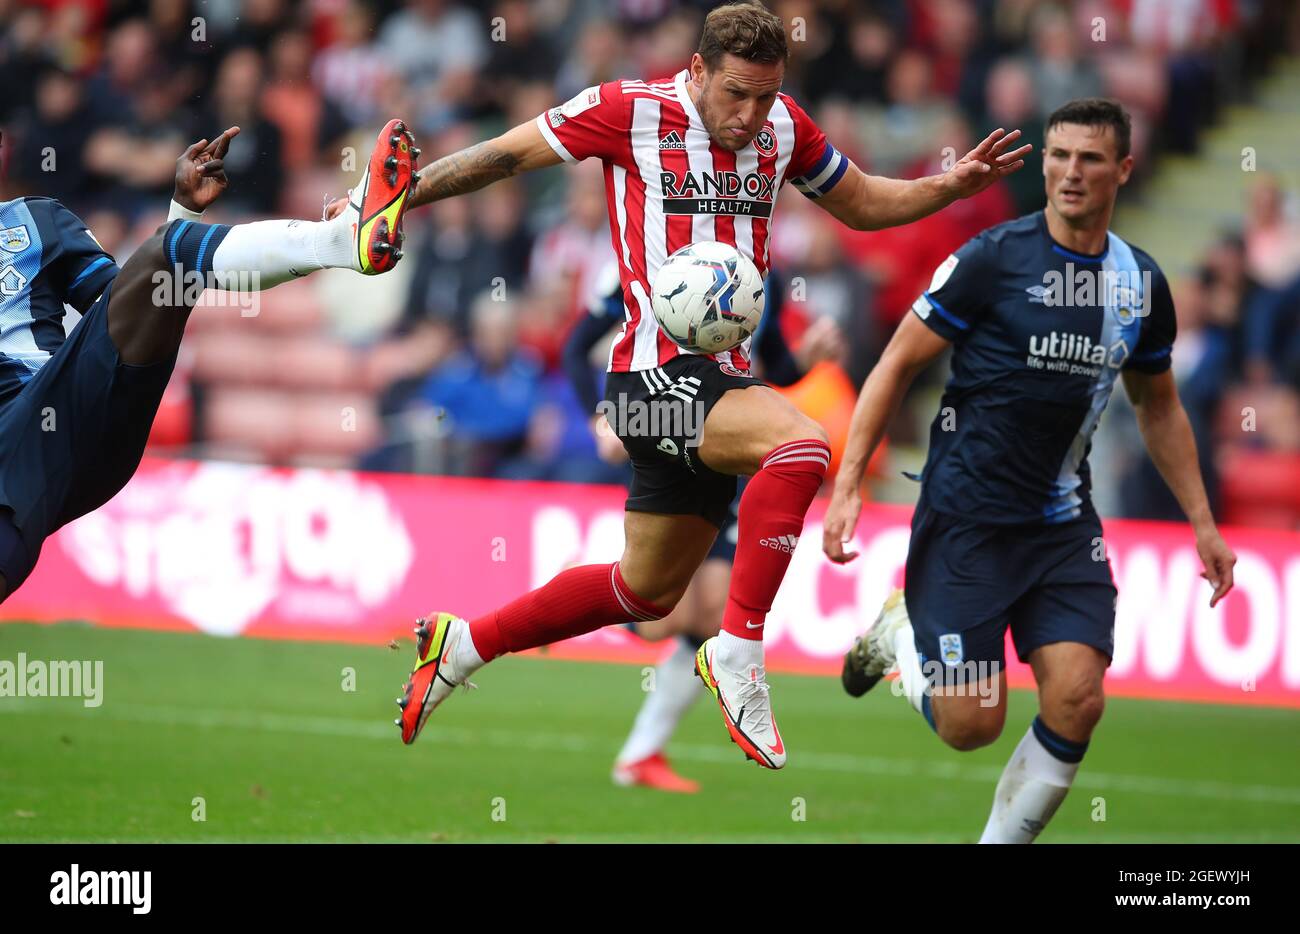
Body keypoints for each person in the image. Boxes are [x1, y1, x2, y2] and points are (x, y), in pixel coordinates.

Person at [377, 1, 1029, 768]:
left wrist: (947, 187)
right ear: (696, 71)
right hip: (649, 376)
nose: (751, 115)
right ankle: (739, 655)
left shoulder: (785, 125)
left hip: (721, 382)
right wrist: (398, 197)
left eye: (765, 95)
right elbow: (507, 156)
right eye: (735, 95)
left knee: (643, 593)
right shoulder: (629, 110)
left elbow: (862, 203)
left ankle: (465, 645)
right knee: (801, 448)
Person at [824, 99, 1237, 840]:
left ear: (1124, 170)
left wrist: (1203, 524)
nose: (1070, 172)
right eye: (1059, 155)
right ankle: (903, 637)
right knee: (971, 725)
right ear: (1044, 163)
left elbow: (1160, 408)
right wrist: (850, 481)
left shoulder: (1138, 284)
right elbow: (893, 365)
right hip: (967, 521)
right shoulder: (992, 259)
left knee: (1078, 699)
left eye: (1089, 158)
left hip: (1060, 527)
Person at [0, 120, 418, 600]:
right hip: (22, 476)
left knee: (163, 256)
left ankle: (341, 240)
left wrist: (182, 217)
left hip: (50, 412)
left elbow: (131, 306)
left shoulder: (36, 221)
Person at [563, 259, 841, 789]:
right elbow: (577, 348)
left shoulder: (762, 272)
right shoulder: (638, 262)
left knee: (709, 618)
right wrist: (605, 415)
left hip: (732, 442)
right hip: (667, 433)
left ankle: (640, 755)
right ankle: (582, 583)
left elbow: (770, 364)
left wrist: (806, 361)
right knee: (662, 618)